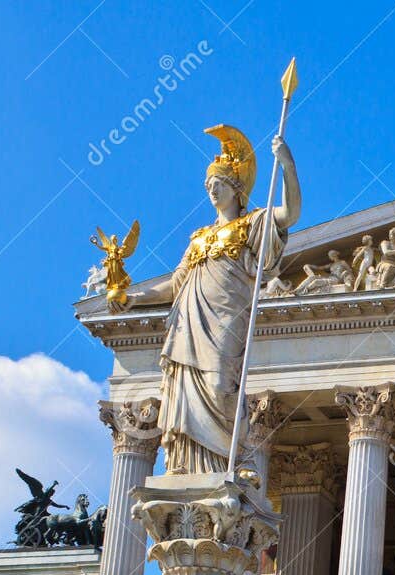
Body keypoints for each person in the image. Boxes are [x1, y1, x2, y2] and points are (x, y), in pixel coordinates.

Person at [107, 124, 300, 474]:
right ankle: (187, 468)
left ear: (236, 189)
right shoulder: (198, 239)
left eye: (219, 184)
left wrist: (287, 166)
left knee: (218, 385)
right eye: (209, 185)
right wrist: (134, 298)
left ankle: (224, 465)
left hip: (225, 321)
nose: (212, 190)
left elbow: (290, 215)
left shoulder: (251, 226)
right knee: (184, 394)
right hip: (189, 325)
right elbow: (176, 284)